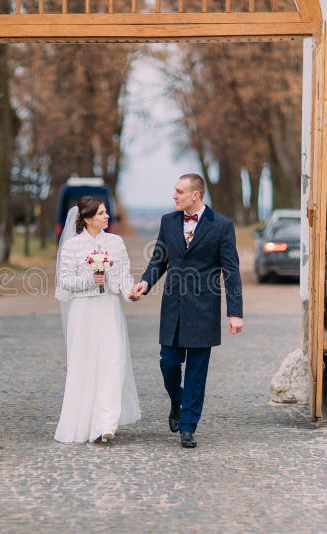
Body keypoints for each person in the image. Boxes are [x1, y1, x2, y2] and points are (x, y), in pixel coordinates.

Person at [129, 174, 243, 449]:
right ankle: (177, 401)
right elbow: (159, 260)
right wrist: (145, 283)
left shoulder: (222, 226)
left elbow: (231, 271)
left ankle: (188, 426)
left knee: (196, 370)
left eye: (179, 191)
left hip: (204, 307)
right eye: (175, 191)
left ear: (196, 195)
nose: (174, 196)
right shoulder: (168, 222)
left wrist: (235, 312)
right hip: (173, 306)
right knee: (168, 362)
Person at [54, 196, 141, 443]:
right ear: (89, 218)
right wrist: (91, 280)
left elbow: (124, 276)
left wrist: (130, 293)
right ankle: (84, 421)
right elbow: (65, 282)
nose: (106, 217)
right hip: (83, 311)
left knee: (113, 362)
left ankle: (106, 424)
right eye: (102, 213)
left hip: (109, 309)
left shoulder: (115, 243)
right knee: (85, 364)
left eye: (106, 213)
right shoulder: (72, 246)